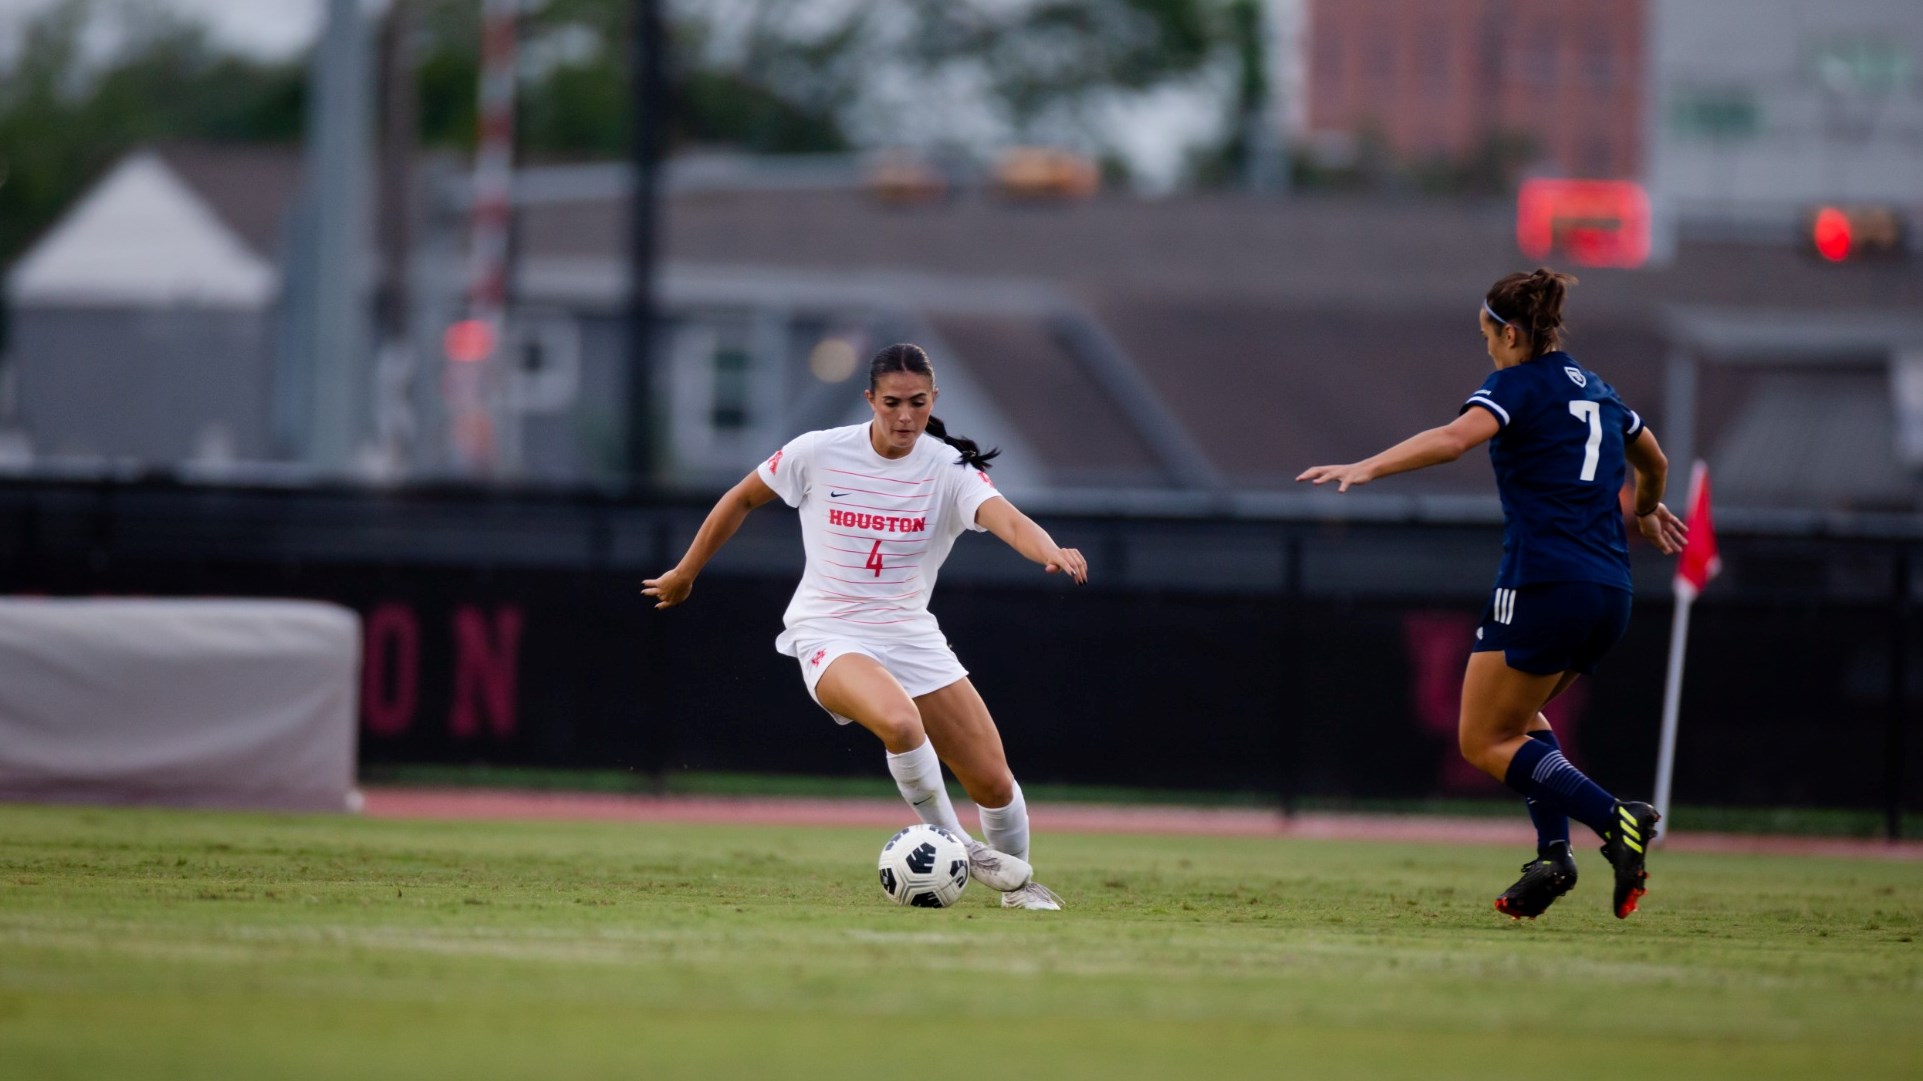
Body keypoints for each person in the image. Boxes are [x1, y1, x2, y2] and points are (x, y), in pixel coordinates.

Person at [1297, 268, 1689, 921]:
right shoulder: (1597, 389)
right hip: (1608, 590)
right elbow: (1655, 462)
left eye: (1488, 335)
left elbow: (1454, 440)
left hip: (1544, 581)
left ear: (1509, 331)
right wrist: (1646, 511)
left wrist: (1366, 465)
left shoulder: (1515, 383)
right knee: (1520, 721)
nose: (1487, 348)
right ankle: (1553, 857)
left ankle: (1614, 819)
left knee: (1480, 738)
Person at [643, 342, 1085, 910]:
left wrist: (1049, 549)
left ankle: (1018, 893)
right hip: (828, 632)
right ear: (870, 399)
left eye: (918, 404)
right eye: (893, 403)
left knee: (995, 784)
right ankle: (960, 847)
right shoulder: (819, 452)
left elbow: (1009, 520)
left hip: (910, 635)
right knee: (900, 723)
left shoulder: (950, 470)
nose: (905, 417)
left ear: (934, 401)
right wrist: (686, 570)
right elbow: (741, 498)